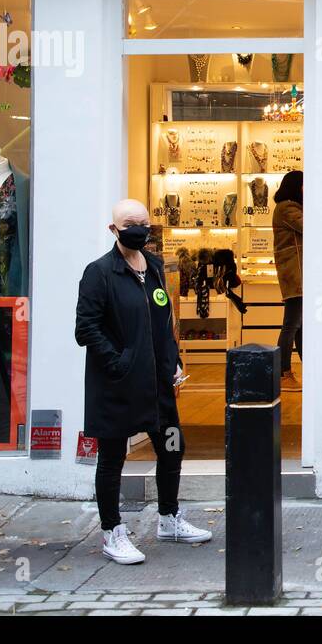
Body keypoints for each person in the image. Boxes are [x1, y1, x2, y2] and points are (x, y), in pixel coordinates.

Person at [75, 199, 212, 565]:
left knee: (171, 446)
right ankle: (112, 532)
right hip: (117, 387)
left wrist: (173, 359)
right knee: (112, 458)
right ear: (114, 229)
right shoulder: (99, 272)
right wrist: (119, 363)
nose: (138, 228)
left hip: (157, 386)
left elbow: (162, 318)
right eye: (129, 223)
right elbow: (85, 328)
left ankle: (169, 518)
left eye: (143, 222)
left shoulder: (152, 267)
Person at [272, 171, 303, 390]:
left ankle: (303, 369)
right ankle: (283, 372)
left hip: (299, 274)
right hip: (296, 275)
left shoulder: (291, 207)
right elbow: (309, 226)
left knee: (300, 326)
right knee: (291, 325)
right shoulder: (287, 208)